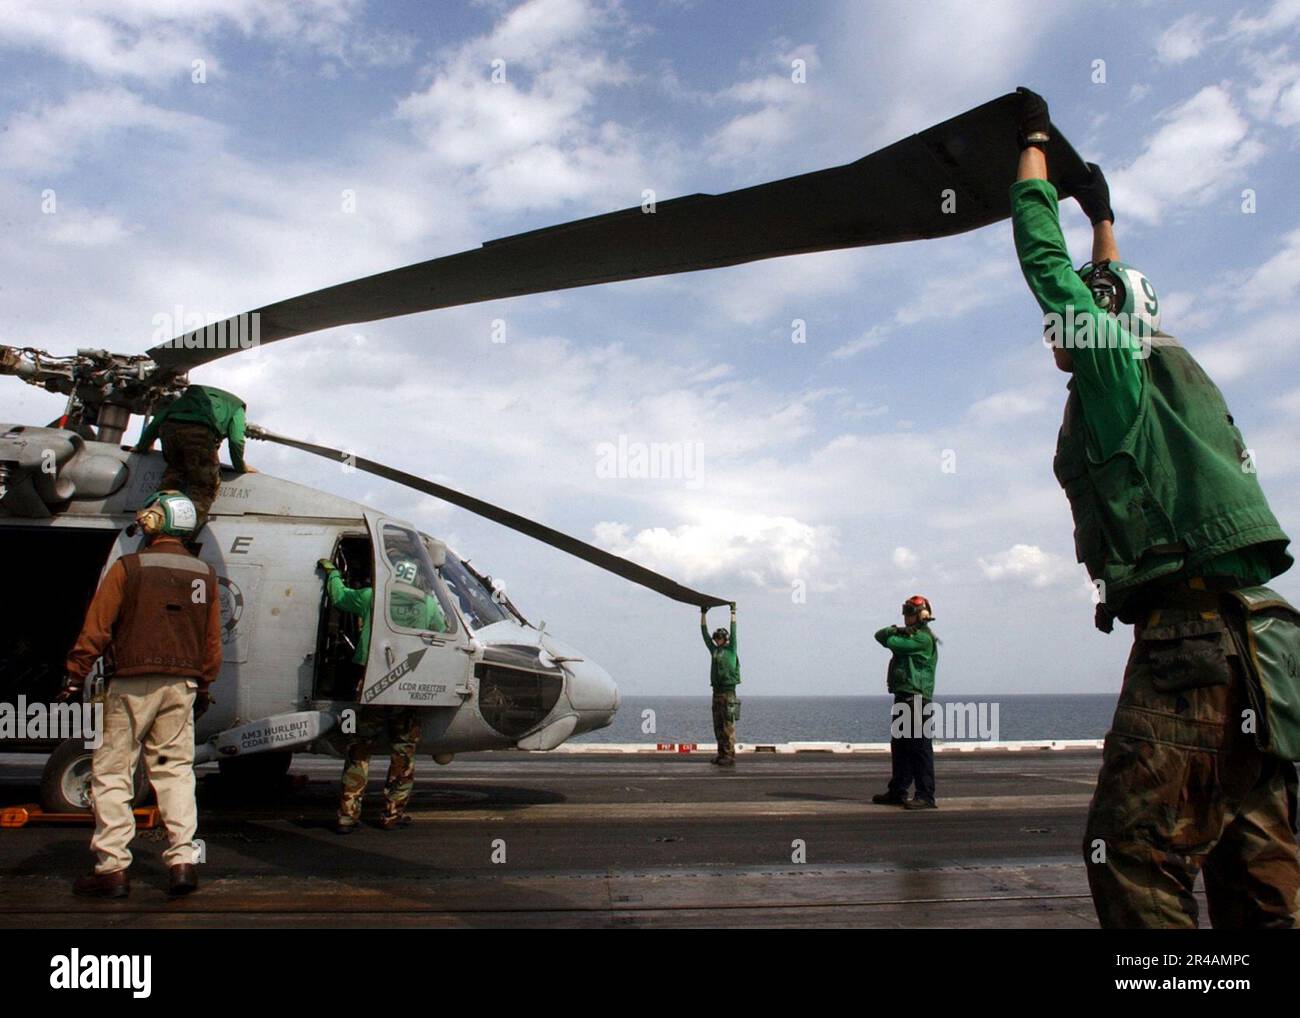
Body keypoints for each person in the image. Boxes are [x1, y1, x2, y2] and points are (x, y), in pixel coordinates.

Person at [1010, 88, 1300, 927]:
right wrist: (1101, 210)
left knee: (1134, 854)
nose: (1056, 340)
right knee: (1259, 875)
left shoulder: (1111, 369)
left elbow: (1046, 267)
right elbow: (1110, 288)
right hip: (1271, 653)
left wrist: (1031, 153)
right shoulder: (1169, 371)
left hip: (1194, 647)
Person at [61, 491, 220, 898]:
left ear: (153, 522)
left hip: (131, 683)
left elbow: (97, 627)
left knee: (114, 771)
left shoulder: (128, 568)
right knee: (175, 771)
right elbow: (211, 641)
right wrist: (203, 684)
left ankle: (112, 869)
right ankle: (183, 861)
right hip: (181, 687)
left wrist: (75, 674)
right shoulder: (204, 575)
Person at [317, 551, 446, 832]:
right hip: (407, 687)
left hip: (372, 683)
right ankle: (391, 814)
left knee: (360, 749)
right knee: (403, 752)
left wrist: (332, 573)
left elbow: (338, 597)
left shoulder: (370, 596)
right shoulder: (426, 603)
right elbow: (442, 632)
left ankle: (347, 815)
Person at [134, 384, 254, 529]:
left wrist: (141, 447)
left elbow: (156, 423)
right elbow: (236, 440)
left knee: (175, 473)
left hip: (169, 431)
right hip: (199, 437)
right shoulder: (237, 407)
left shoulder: (186, 399)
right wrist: (240, 467)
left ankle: (151, 520)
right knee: (203, 486)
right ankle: (183, 533)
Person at [871, 595, 939, 809]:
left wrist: (896, 632)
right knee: (900, 747)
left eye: (910, 611)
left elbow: (887, 640)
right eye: (905, 610)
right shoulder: (912, 635)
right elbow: (879, 635)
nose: (906, 615)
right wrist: (898, 629)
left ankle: (926, 796)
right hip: (904, 696)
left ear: (922, 615)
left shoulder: (922, 639)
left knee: (919, 748)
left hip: (916, 698)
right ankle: (897, 791)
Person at [700, 603, 740, 767]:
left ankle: (729, 755)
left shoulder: (731, 649)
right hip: (716, 693)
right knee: (717, 725)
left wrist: (732, 612)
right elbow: (704, 635)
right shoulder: (714, 650)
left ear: (726, 638)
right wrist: (703, 615)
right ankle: (721, 753)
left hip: (728, 693)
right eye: (715, 638)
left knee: (727, 725)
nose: (716, 640)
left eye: (719, 638)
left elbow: (735, 630)